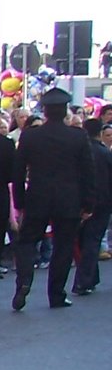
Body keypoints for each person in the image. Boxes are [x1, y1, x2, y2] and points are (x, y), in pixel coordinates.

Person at [11, 86, 95, 310]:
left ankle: (24, 282)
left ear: (45, 112)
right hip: (68, 199)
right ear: (65, 110)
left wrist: (19, 201)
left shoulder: (30, 136)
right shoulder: (77, 136)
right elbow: (88, 172)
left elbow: (18, 172)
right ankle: (56, 293)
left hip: (37, 196)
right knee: (64, 246)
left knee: (28, 241)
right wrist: (88, 203)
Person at [73, 118, 112, 296]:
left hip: (81, 202)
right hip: (103, 202)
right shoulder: (105, 153)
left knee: (84, 240)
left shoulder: (80, 153)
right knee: (93, 240)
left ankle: (88, 277)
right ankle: (86, 279)